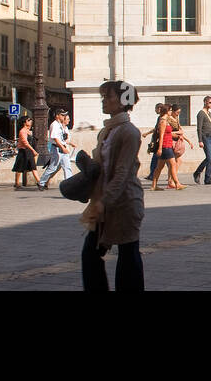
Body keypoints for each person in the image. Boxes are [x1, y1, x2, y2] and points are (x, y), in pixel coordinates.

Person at [82, 80, 145, 292]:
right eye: (103, 96)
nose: (104, 101)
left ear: (122, 101)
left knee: (128, 256)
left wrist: (103, 202)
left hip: (124, 202)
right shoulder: (107, 131)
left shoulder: (129, 132)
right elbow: (103, 166)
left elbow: (123, 172)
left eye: (108, 97)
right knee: (90, 254)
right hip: (104, 202)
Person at [38, 109, 74, 190]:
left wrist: (67, 144)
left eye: (64, 115)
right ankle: (41, 182)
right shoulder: (54, 125)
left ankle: (70, 185)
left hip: (62, 148)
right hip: (57, 149)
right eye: (62, 115)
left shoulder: (60, 125)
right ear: (57, 116)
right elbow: (56, 139)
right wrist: (62, 148)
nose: (64, 116)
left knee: (67, 167)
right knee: (53, 167)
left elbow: (62, 138)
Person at [150, 104, 183, 190]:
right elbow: (161, 135)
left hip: (167, 145)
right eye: (170, 110)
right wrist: (160, 148)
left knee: (159, 167)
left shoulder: (166, 120)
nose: (171, 112)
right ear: (166, 111)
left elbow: (169, 132)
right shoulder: (163, 121)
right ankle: (177, 184)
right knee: (173, 164)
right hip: (165, 146)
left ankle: (154, 185)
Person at [193, 96, 211, 185]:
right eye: (209, 103)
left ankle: (207, 178)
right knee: (209, 158)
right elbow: (199, 128)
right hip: (205, 137)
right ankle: (197, 172)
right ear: (205, 102)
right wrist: (200, 140)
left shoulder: (210, 114)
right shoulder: (201, 113)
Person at [11, 114, 39, 189]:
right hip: (24, 151)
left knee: (33, 167)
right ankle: (16, 183)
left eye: (30, 120)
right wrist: (33, 150)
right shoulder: (22, 131)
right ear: (24, 122)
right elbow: (25, 142)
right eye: (28, 120)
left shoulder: (29, 131)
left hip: (29, 151)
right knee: (19, 168)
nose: (30, 121)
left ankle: (39, 182)